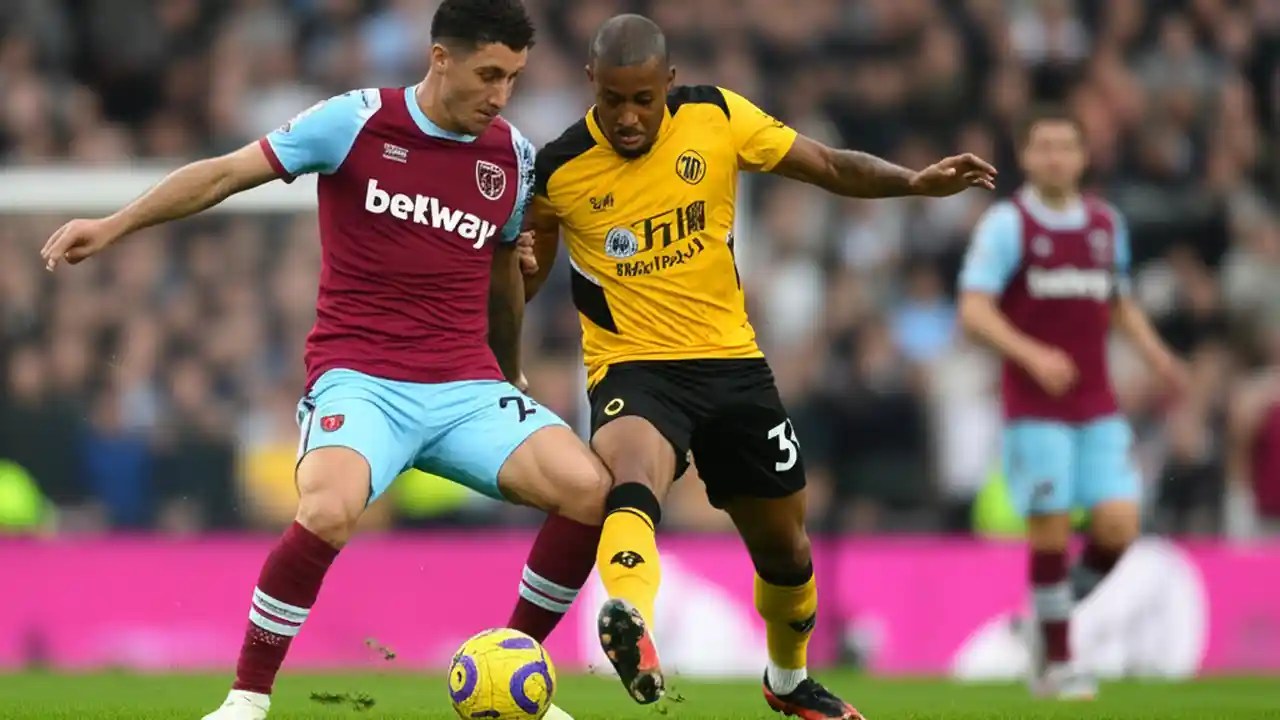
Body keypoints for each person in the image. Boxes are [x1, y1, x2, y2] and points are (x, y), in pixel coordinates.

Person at [41, 2, 605, 719]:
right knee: (329, 510)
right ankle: (247, 699)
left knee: (589, 490)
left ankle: (509, 664)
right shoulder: (356, 121)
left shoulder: (512, 158)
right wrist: (113, 225)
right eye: (489, 74)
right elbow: (223, 174)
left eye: (515, 79)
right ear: (441, 59)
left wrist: (510, 365)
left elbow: (502, 275)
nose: (500, 95)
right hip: (363, 380)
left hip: (464, 385)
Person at [519, 14, 995, 720]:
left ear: (668, 85)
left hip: (732, 366)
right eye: (612, 99)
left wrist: (914, 184)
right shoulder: (558, 168)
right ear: (590, 83)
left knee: (786, 548)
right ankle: (628, 614)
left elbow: (829, 165)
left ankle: (788, 678)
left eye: (642, 100)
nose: (626, 116)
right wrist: (520, 275)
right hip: (634, 368)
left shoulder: (716, 116)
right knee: (630, 474)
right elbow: (528, 271)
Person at [957, 108, 1188, 699]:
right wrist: (1031, 354)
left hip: (1097, 404)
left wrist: (1159, 357)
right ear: (1027, 156)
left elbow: (1119, 302)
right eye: (1044, 146)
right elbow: (975, 310)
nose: (1056, 157)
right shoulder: (1008, 226)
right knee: (1052, 532)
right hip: (1035, 408)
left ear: (1084, 157)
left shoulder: (1106, 225)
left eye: (1066, 146)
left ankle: (1039, 623)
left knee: (1120, 524)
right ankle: (1056, 662)